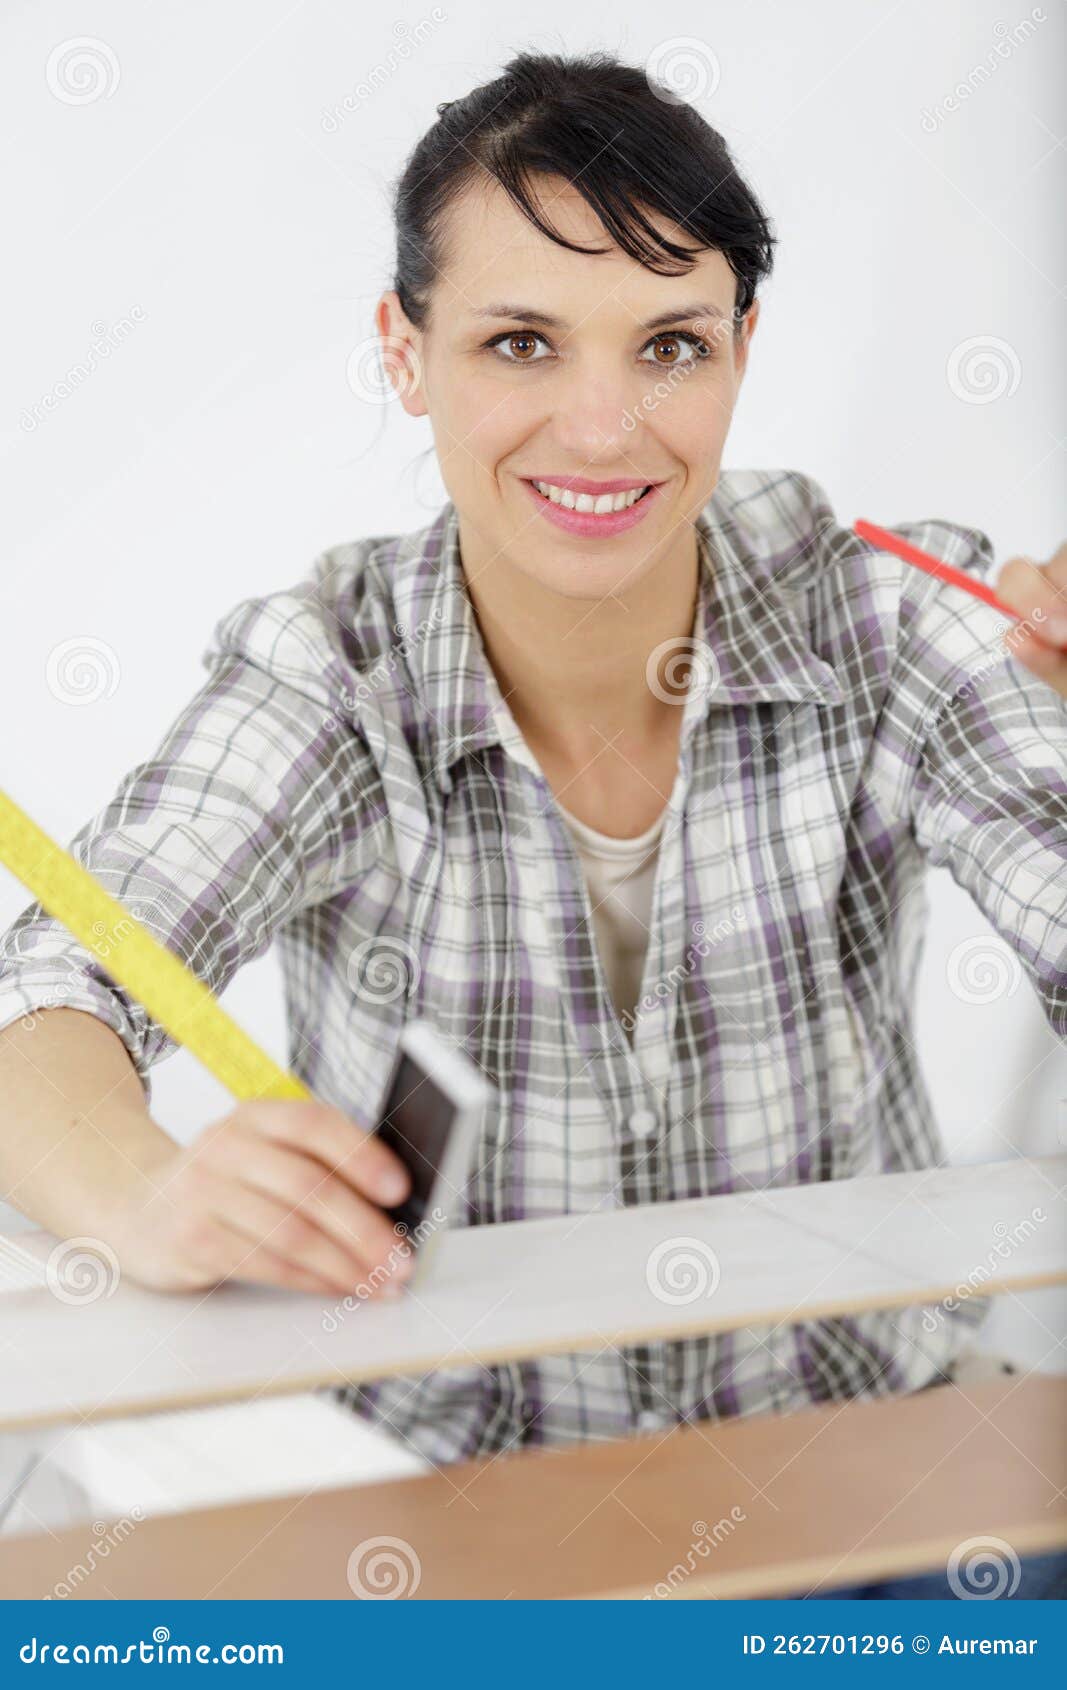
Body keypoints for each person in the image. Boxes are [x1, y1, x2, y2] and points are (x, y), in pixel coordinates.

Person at [1, 49, 1064, 1518]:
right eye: (521, 343)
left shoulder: (889, 616)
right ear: (402, 349)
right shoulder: (336, 666)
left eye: (670, 346)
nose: (603, 427)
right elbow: (51, 989)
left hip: (869, 1479)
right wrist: (142, 1193)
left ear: (743, 349)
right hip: (444, 1520)